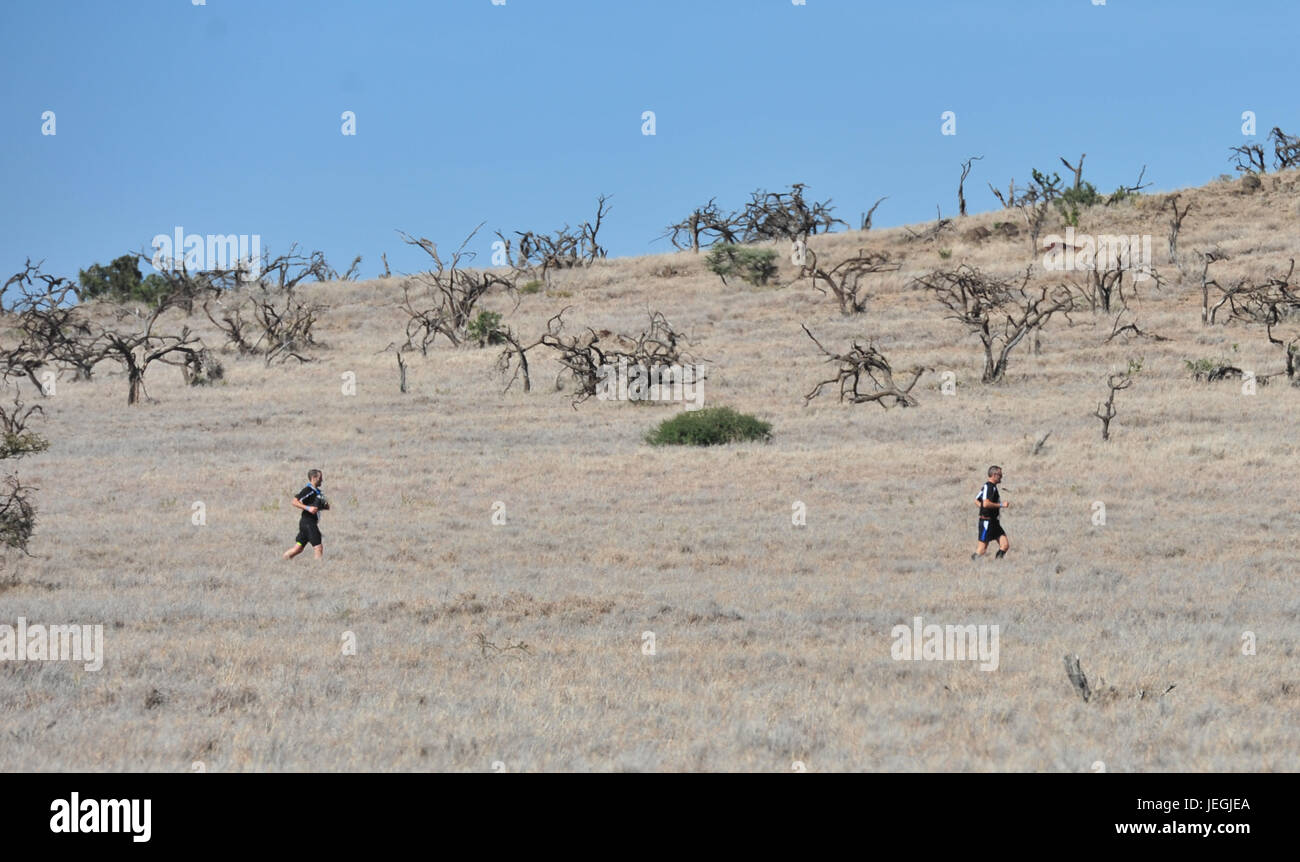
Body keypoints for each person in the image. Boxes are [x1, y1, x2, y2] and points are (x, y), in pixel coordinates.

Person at [283, 469, 329, 560]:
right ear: (313, 478)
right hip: (308, 523)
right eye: (320, 478)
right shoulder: (308, 490)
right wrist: (308, 508)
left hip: (307, 524)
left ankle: (282, 561)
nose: (322, 480)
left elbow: (320, 507)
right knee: (318, 547)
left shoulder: (318, 492)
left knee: (298, 548)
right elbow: (294, 502)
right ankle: (319, 570)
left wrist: (324, 506)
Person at [972, 465, 1009, 559]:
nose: (1002, 476)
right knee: (982, 550)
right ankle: (973, 564)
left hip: (994, 522)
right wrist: (1001, 505)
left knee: (1005, 545)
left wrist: (985, 509)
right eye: (1000, 474)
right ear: (994, 475)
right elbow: (985, 504)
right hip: (986, 522)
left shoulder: (990, 487)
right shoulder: (989, 487)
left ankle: (998, 565)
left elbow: (976, 500)